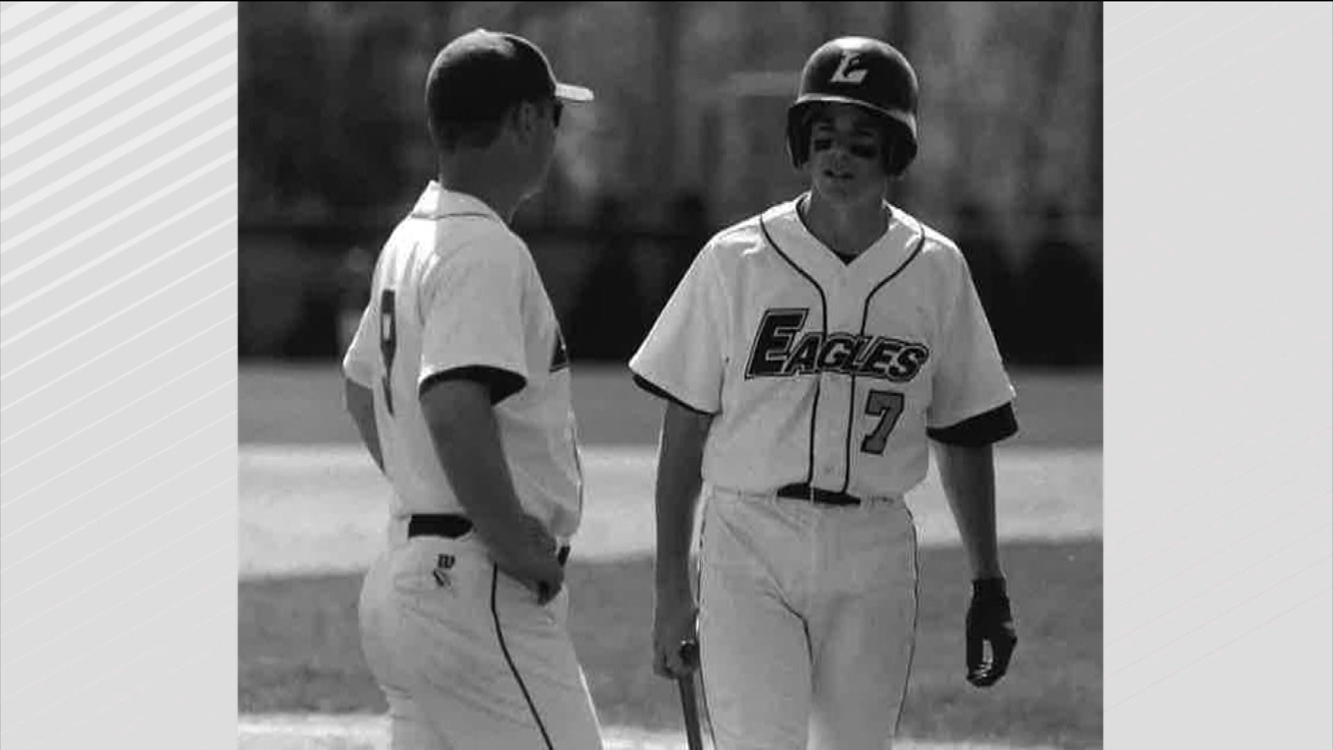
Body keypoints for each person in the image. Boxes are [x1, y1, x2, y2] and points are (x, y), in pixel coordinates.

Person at [629, 36, 1020, 750]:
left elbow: (964, 431)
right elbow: (682, 434)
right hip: (749, 538)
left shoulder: (934, 269)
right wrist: (667, 591)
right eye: (823, 136)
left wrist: (986, 582)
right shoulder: (734, 260)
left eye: (861, 141)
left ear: (895, 152)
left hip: (873, 546)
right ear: (800, 146)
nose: (837, 156)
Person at [340, 28, 604, 750]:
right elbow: (453, 405)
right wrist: (507, 537)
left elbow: (361, 386)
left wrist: (429, 495)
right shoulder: (483, 247)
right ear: (523, 120)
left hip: (410, 577)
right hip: (475, 591)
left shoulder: (412, 236)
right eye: (552, 114)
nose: (556, 131)